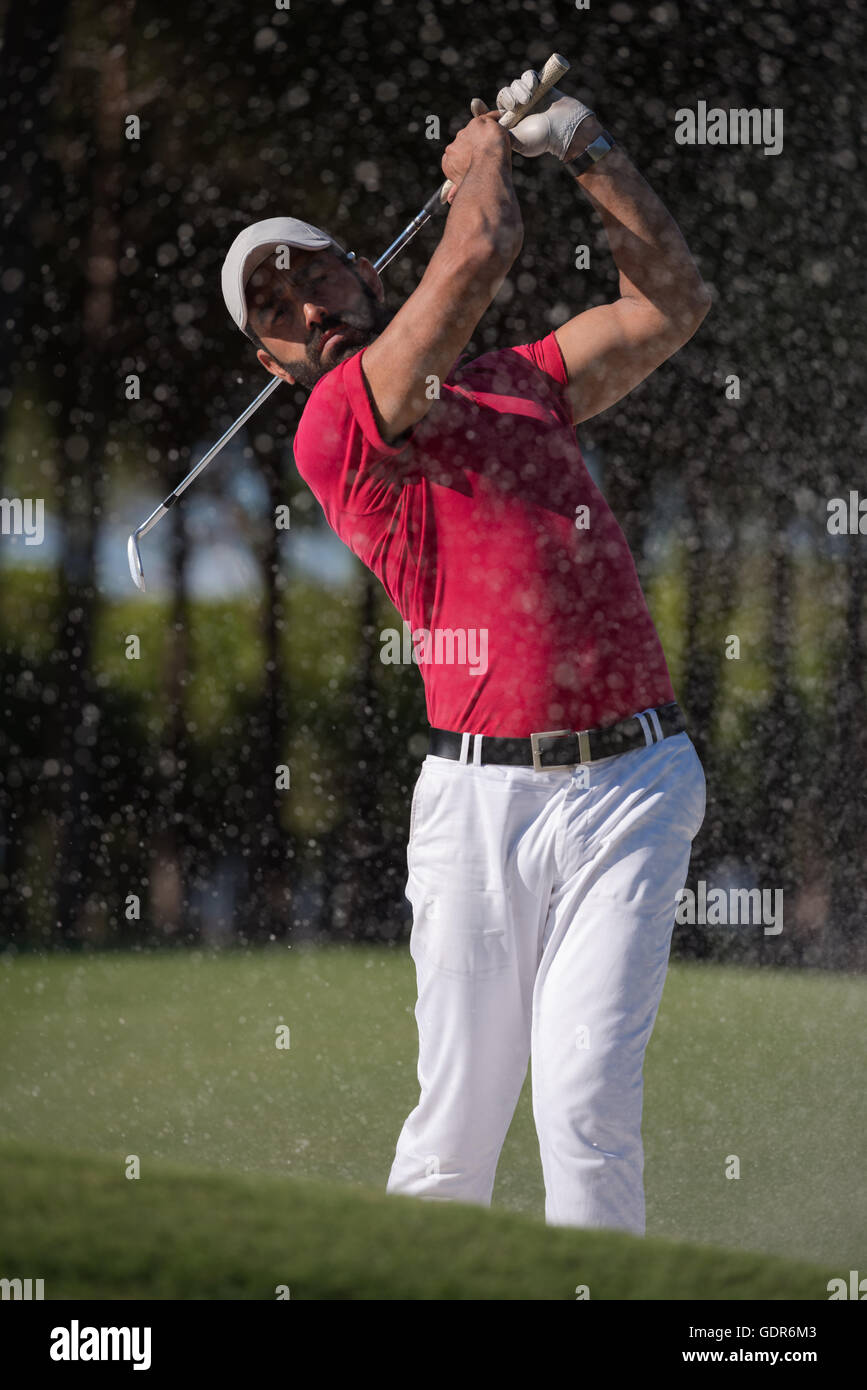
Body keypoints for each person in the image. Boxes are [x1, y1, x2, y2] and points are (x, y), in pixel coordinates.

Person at [220, 69, 711, 1234]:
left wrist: (588, 144)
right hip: (477, 807)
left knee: (589, 1109)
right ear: (272, 363)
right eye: (276, 310)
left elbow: (673, 302)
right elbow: (481, 245)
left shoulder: (520, 383)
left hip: (634, 785)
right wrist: (481, 154)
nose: (309, 307)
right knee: (453, 1140)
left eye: (317, 272)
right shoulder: (335, 423)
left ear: (366, 267)